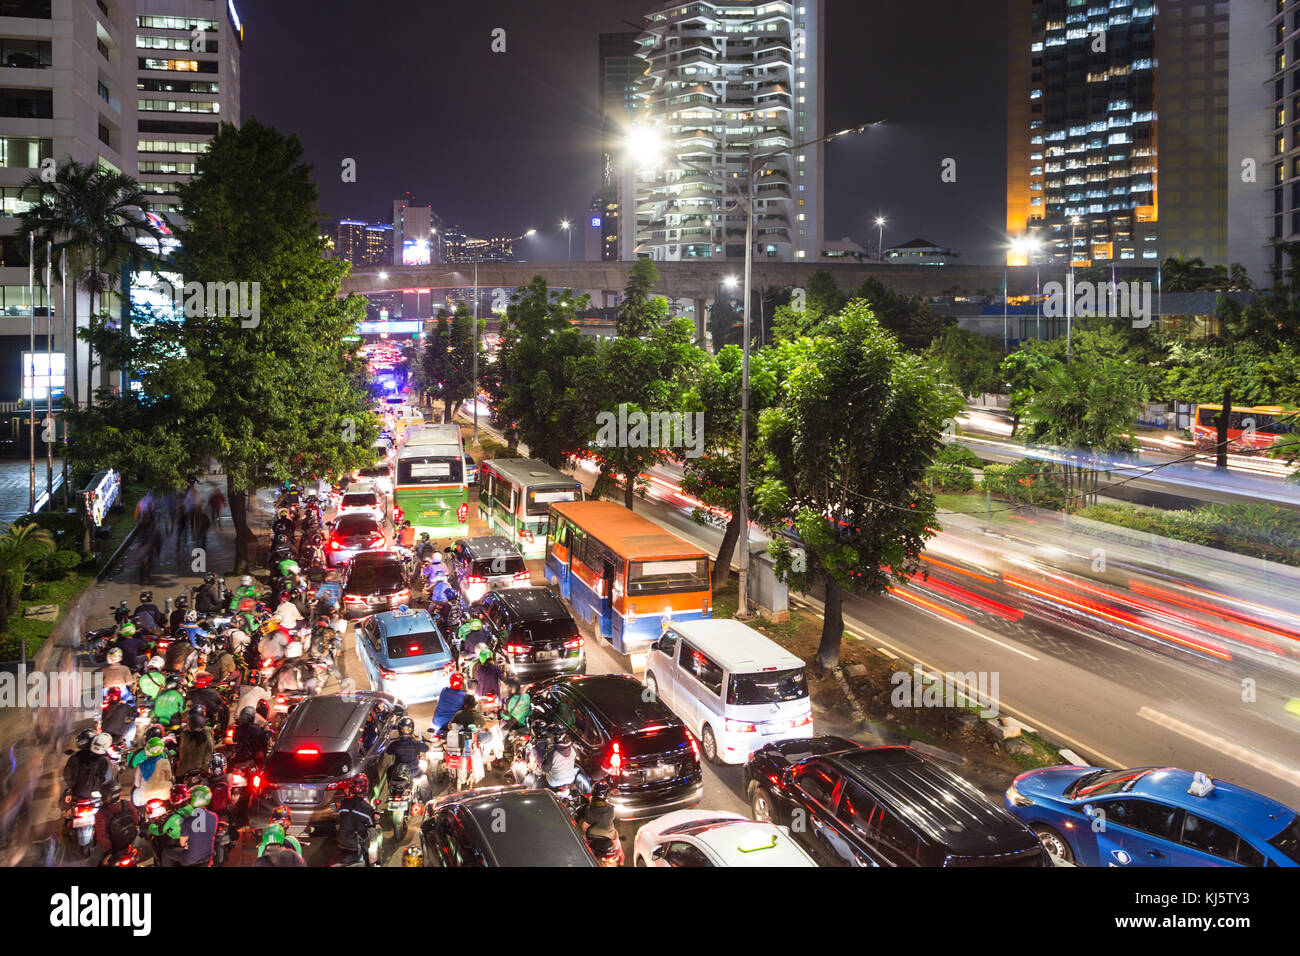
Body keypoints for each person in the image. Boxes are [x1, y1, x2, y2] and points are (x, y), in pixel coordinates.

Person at [161, 785, 217, 867]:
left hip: (191, 859)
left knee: (166, 853)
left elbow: (182, 843)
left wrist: (187, 843)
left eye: (190, 798)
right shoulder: (214, 816)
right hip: (208, 856)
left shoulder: (189, 820)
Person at [334, 773, 379, 865]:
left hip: (341, 837)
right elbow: (371, 824)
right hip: (355, 841)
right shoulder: (367, 808)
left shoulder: (343, 803)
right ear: (366, 787)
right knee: (375, 830)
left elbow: (340, 817)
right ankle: (373, 861)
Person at [93, 779, 138, 861]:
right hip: (130, 841)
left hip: (114, 848)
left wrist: (109, 852)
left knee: (92, 861)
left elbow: (102, 837)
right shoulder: (127, 804)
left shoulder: (100, 814)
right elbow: (136, 821)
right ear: (119, 795)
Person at [63, 731, 113, 800]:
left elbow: (67, 774)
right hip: (94, 796)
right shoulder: (106, 761)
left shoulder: (77, 756)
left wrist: (71, 788)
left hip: (77, 793)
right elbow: (108, 779)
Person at [130, 737, 174, 808]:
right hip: (164, 794)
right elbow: (169, 777)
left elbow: (137, 783)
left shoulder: (142, 764)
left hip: (145, 797)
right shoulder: (165, 762)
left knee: (133, 794)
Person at [577, 779, 620, 843]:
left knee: (582, 822)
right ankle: (620, 850)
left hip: (591, 835)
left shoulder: (588, 809)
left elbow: (588, 820)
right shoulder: (611, 808)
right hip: (609, 835)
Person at [176, 708, 215, 779]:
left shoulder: (185, 734)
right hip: (203, 769)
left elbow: (183, 751)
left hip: (187, 769)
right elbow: (210, 749)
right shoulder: (207, 731)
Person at [430, 672, 468, 737]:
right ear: (461, 684)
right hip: (452, 726)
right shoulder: (463, 696)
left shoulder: (444, 690)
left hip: (436, 724)